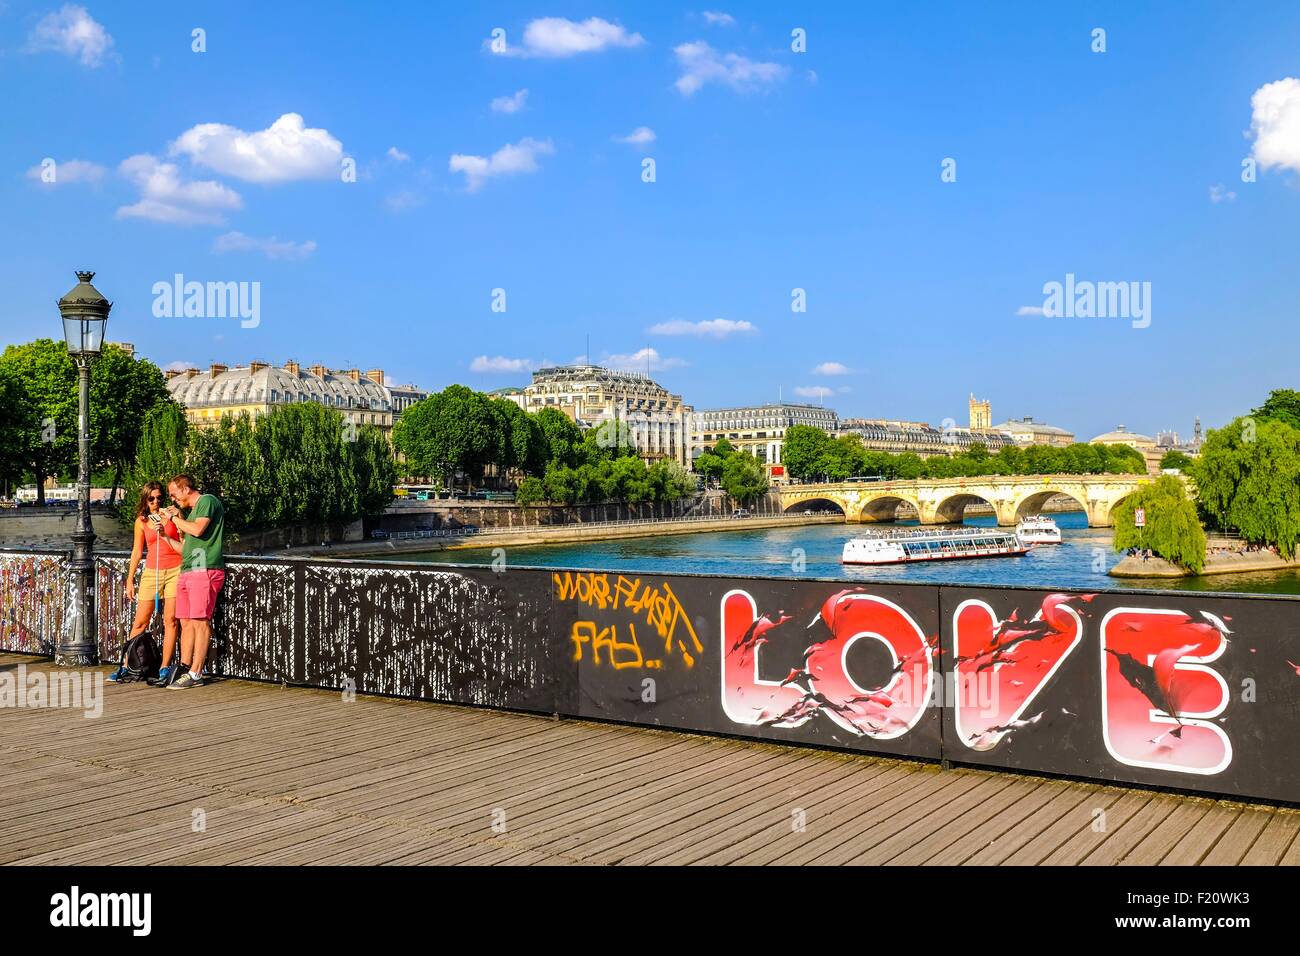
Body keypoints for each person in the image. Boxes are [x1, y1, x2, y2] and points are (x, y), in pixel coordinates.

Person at [109, 482, 183, 683]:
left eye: (159, 497)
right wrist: (130, 578)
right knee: (140, 621)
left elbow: (185, 541)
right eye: (152, 498)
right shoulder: (141, 521)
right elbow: (136, 551)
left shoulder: (171, 515)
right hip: (152, 572)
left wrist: (174, 518)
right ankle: (127, 665)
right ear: (145, 500)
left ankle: (165, 667)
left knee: (171, 621)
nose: (156, 502)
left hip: (175, 569)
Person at [163, 474, 226, 690]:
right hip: (189, 569)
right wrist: (164, 535)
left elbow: (198, 529)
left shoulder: (207, 501)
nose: (172, 499)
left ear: (185, 489)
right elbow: (185, 548)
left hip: (204, 569)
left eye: (174, 494)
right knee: (186, 622)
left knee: (200, 621)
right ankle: (185, 667)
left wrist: (174, 519)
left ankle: (196, 673)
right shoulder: (190, 514)